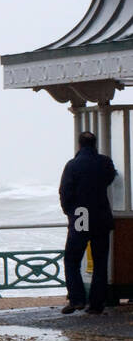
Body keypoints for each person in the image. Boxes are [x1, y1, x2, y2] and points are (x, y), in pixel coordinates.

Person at [59, 131, 117, 315]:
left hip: (81, 217)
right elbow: (111, 178)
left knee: (72, 258)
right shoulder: (105, 163)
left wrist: (71, 213)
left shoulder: (73, 165)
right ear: (95, 144)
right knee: (100, 261)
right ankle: (96, 304)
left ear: (79, 145)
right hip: (101, 216)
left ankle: (76, 299)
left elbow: (65, 192)